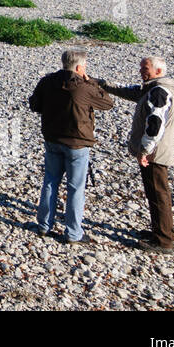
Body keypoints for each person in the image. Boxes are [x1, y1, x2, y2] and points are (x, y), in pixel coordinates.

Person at [28, 49, 115, 243]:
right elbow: (108, 103)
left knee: (50, 181)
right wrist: (91, 80)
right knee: (75, 188)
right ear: (79, 67)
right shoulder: (85, 87)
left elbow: (34, 105)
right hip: (77, 143)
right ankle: (73, 233)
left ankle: (44, 225)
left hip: (53, 139)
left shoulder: (47, 81)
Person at [100, 56, 174, 253]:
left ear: (159, 71)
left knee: (158, 194)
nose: (141, 71)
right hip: (157, 151)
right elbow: (131, 91)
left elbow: (155, 125)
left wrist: (144, 150)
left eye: (145, 69)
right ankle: (160, 232)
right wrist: (102, 84)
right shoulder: (153, 88)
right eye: (141, 67)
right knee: (156, 192)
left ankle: (164, 240)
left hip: (155, 153)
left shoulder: (159, 92)